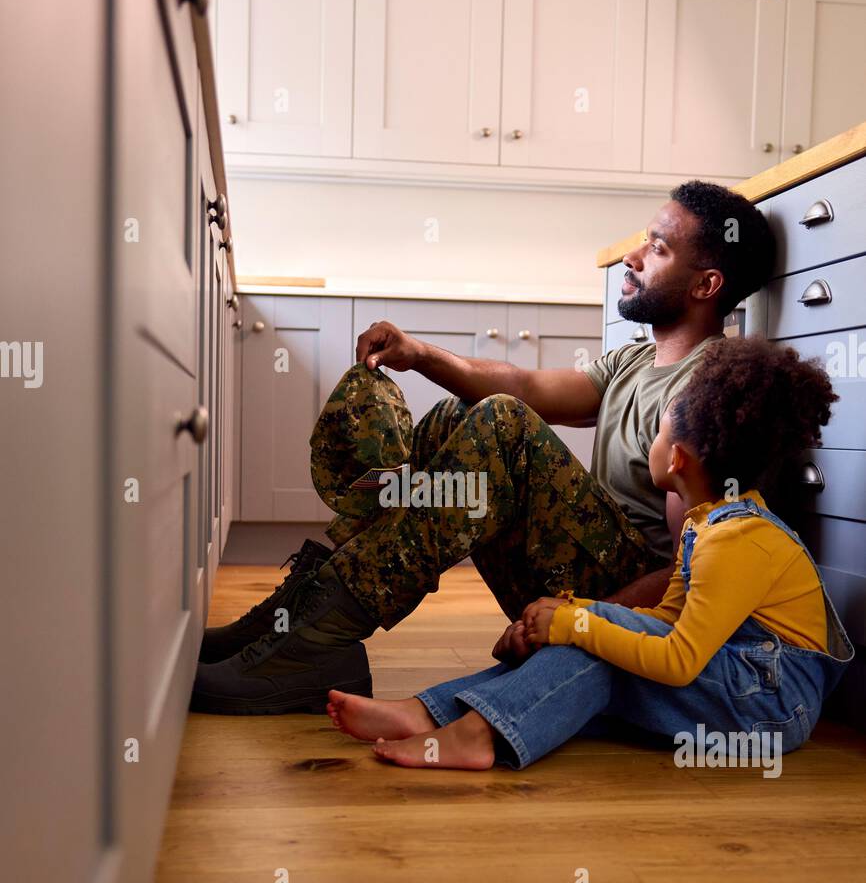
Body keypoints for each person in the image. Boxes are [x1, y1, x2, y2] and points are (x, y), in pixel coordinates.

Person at [190, 181, 776, 715]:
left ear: (707, 285)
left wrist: (573, 627)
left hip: (626, 607)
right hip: (582, 577)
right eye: (644, 241)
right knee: (459, 413)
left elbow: (689, 568)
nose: (632, 256)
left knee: (502, 425)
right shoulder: (634, 361)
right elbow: (522, 386)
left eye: (658, 249)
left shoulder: (707, 389)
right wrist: (420, 353)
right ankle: (299, 623)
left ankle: (316, 640)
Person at [326, 336, 853, 770]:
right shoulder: (708, 526)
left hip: (773, 703)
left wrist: (577, 626)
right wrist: (577, 613)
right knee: (594, 647)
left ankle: (481, 734)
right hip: (742, 681)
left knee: (596, 648)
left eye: (659, 427)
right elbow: (665, 618)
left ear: (677, 459)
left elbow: (678, 657)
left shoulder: (738, 539)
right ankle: (431, 712)